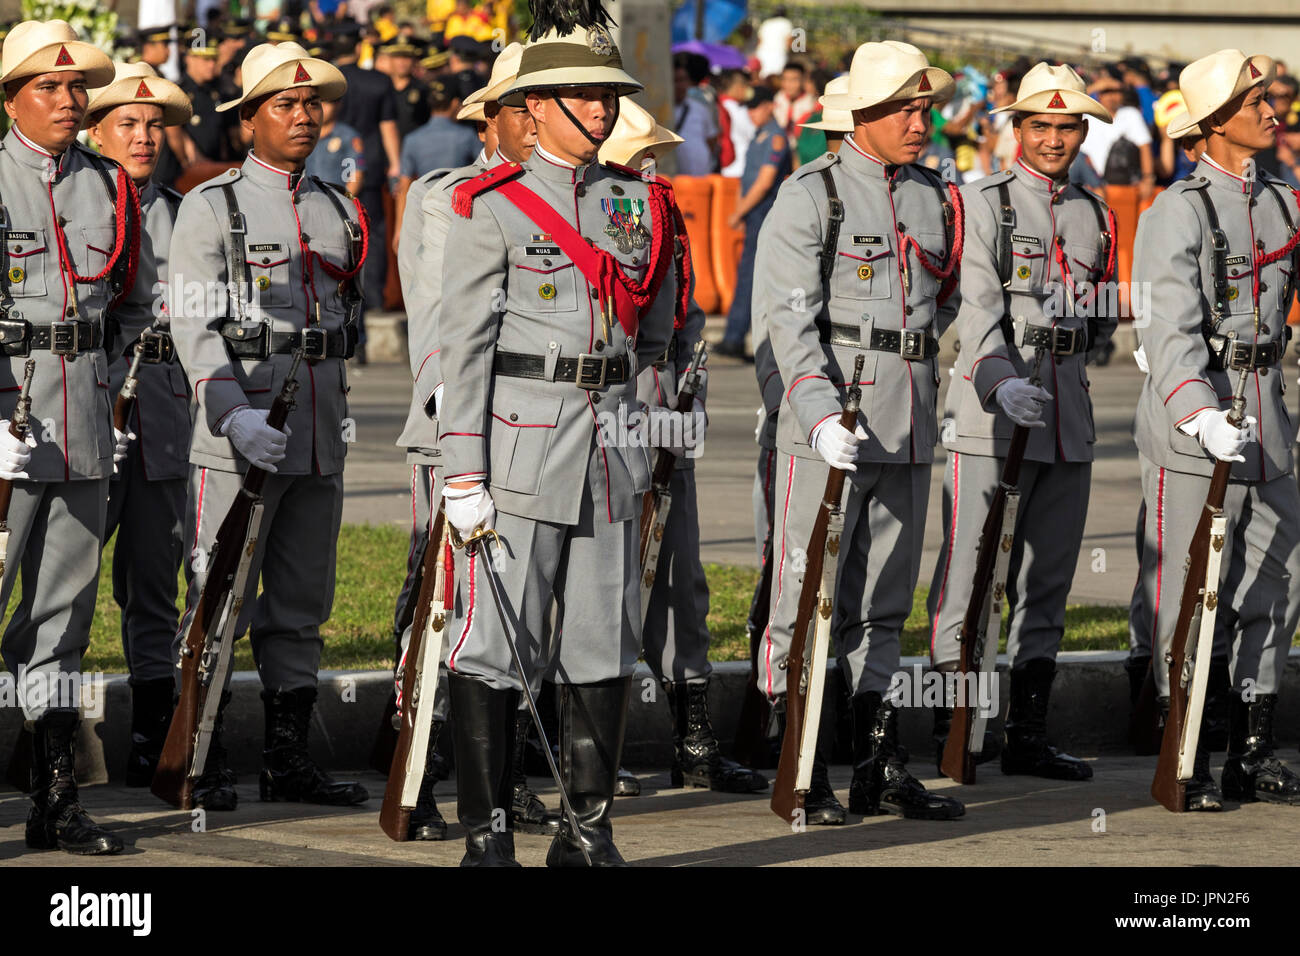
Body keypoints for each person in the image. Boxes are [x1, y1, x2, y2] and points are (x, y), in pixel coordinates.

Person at [437, 4, 677, 865]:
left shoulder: (636, 202)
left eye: (609, 94)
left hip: (612, 448)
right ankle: (487, 833)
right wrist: (462, 472)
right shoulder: (487, 204)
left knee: (601, 640)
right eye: (581, 95)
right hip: (521, 448)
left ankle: (586, 828)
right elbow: (460, 351)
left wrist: (650, 426)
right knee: (497, 644)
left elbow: (654, 336)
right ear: (533, 106)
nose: (603, 110)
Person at [756, 41, 965, 825]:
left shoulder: (932, 195)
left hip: (906, 420)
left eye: (925, 108)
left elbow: (944, 298)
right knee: (807, 594)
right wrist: (814, 414)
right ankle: (801, 763)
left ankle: (879, 762)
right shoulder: (811, 195)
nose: (922, 122)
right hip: (834, 421)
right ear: (864, 116)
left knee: (884, 601)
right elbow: (789, 320)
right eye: (906, 110)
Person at [168, 40, 370, 813]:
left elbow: (345, 318)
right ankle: (204, 752)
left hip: (319, 426)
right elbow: (192, 323)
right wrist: (230, 412)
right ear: (247, 118)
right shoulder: (210, 205)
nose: (303, 116)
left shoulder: (339, 205)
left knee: (300, 604)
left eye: (311, 103)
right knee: (219, 596)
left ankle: (288, 759)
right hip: (242, 427)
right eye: (283, 105)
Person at [927, 63, 1118, 782]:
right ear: (1016, 129)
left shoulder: (1097, 213)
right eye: (1040, 124)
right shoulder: (983, 204)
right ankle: (961, 730)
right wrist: (1000, 382)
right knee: (976, 574)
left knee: (1049, 579)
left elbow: (1097, 319)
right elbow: (977, 312)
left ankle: (1027, 732)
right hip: (995, 416)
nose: (1055, 138)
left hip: (1068, 414)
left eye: (1068, 127)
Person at [390, 40, 552, 841]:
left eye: (540, 104)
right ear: (489, 117)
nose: (533, 120)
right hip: (462, 431)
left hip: (541, 436)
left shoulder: (574, 197)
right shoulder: (445, 195)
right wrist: (459, 414)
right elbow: (434, 313)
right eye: (520, 106)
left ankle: (502, 770)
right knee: (441, 599)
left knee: (522, 609)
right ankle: (414, 764)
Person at [1133, 49, 1300, 809]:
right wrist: (1199, 412)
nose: (1273, 112)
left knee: (1277, 581)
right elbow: (1168, 326)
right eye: (1255, 103)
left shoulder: (1283, 198)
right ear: (1213, 123)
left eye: (1270, 99)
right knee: (1191, 587)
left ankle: (1253, 748)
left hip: (1268, 410)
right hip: (1196, 417)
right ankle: (1187, 744)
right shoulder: (1179, 208)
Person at [0, 19, 151, 855]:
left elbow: (132, 302)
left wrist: (110, 389)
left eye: (74, 88)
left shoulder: (108, 185)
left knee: (62, 619)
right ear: (13, 98)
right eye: (47, 88)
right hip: (5, 426)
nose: (67, 100)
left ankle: (55, 803)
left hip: (85, 422)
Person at [596, 100, 767, 796]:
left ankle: (694, 738)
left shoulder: (657, 210)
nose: (651, 166)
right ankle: (593, 745)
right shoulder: (604, 208)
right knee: (607, 578)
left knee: (679, 579)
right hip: (611, 405)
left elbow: (686, 314)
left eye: (653, 156)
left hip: (664, 403)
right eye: (640, 155)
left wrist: (689, 392)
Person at [84, 62, 195, 790]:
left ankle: (153, 742)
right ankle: (50, 738)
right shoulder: (76, 204)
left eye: (155, 125)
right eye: (127, 122)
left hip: (163, 410)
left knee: (155, 584)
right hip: (86, 410)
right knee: (53, 587)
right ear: (95, 130)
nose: (145, 136)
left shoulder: (189, 211)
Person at [717, 86, 790, 360]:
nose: (751, 113)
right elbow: (746, 181)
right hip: (753, 214)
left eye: (757, 106)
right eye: (749, 108)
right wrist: (739, 209)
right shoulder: (758, 136)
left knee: (753, 277)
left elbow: (764, 183)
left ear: (770, 106)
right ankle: (733, 336)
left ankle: (737, 338)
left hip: (764, 215)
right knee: (746, 274)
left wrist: (738, 213)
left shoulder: (775, 138)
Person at [395, 77, 481, 230]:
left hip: (423, 211)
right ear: (455, 103)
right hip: (459, 212)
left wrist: (399, 228)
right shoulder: (466, 135)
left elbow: (403, 187)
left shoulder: (412, 139)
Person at [1083, 69, 1155, 202]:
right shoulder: (1088, 114)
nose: (1111, 96)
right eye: (1106, 92)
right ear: (1098, 94)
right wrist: (1095, 87)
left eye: (1115, 91)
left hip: (1123, 185)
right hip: (1090, 184)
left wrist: (1148, 178)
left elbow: (1145, 146)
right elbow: (1069, 103)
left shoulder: (1130, 114)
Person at [304, 94, 366, 196]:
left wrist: (345, 201)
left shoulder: (347, 136)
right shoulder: (303, 134)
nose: (322, 107)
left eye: (327, 103)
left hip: (337, 200)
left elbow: (355, 175)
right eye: (317, 104)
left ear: (338, 105)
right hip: (306, 199)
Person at [672, 52, 717, 176]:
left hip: (699, 179)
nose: (680, 85)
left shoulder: (700, 108)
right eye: (675, 81)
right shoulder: (660, 110)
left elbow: (711, 139)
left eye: (683, 80)